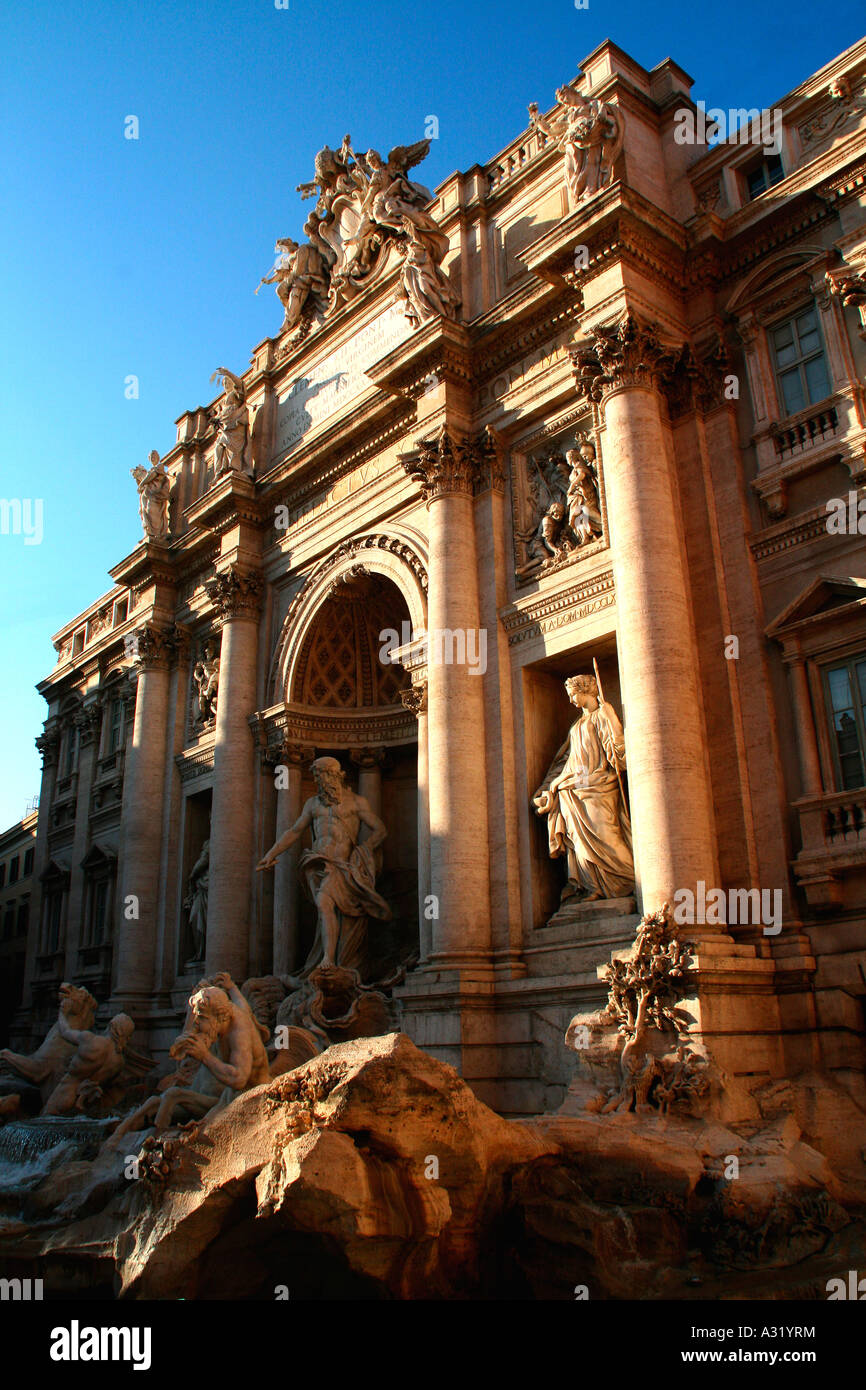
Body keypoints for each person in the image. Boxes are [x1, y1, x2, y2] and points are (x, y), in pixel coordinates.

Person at [257, 756, 391, 975]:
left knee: (323, 902)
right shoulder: (312, 804)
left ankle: (329, 958)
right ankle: (329, 957)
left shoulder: (356, 802)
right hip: (316, 864)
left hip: (342, 865)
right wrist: (272, 853)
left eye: (319, 776)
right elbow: (294, 831)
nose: (317, 781)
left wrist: (363, 851)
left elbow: (381, 830)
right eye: (315, 777)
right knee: (326, 910)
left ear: (331, 775)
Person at [533, 673, 634, 902]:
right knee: (578, 842)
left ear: (586, 690)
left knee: (607, 835)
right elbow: (567, 761)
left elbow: (617, 753)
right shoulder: (576, 725)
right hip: (573, 789)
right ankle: (592, 887)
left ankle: (627, 879)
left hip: (599, 786)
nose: (570, 700)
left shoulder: (602, 715)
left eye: (573, 694)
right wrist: (549, 787)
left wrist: (614, 722)